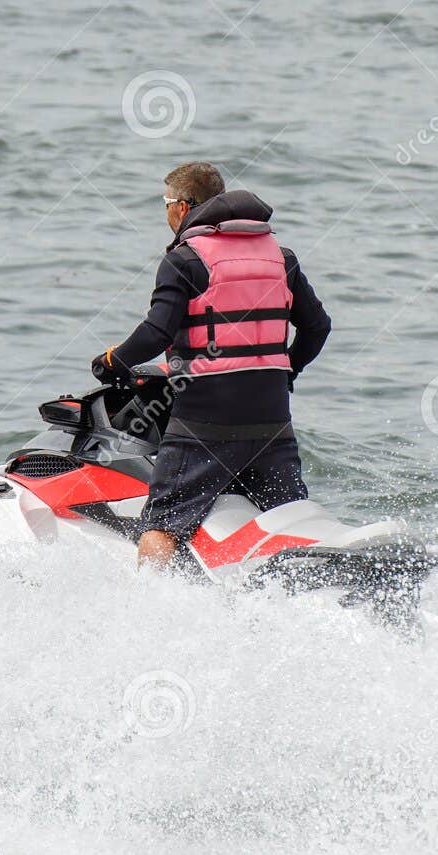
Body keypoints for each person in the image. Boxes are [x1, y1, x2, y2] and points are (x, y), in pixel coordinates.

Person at [92, 162, 331, 568]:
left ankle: (145, 611)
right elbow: (318, 327)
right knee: (284, 520)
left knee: (162, 524)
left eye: (166, 203)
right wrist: (287, 370)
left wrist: (111, 361)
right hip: (271, 419)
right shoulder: (281, 258)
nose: (166, 212)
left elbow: (155, 333)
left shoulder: (185, 261)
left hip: (204, 423)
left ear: (183, 208)